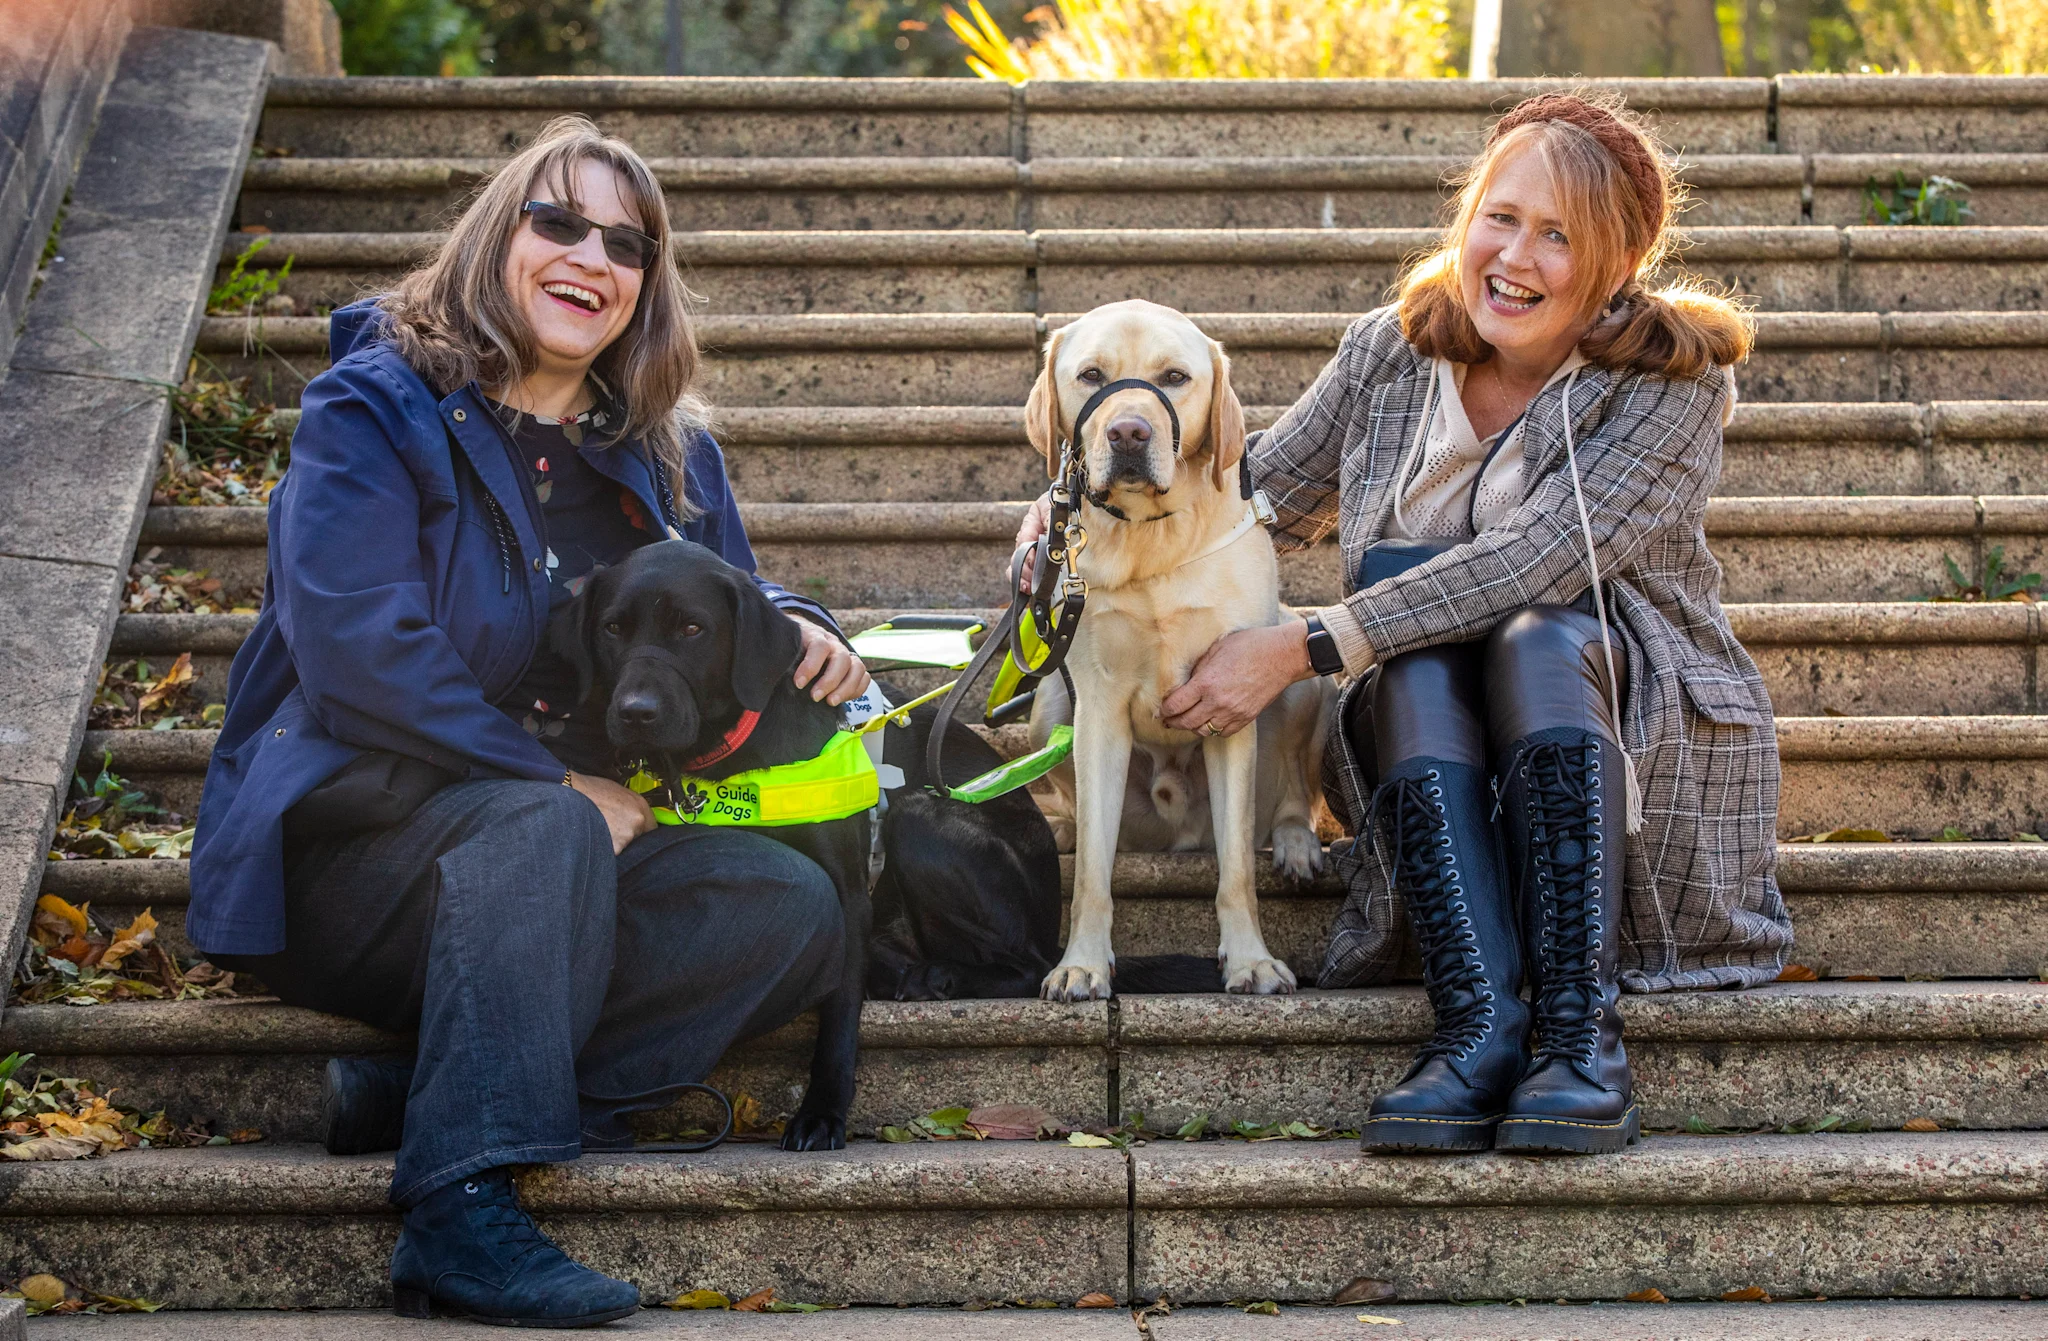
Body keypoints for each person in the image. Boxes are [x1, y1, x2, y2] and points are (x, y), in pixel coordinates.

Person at [190, 116, 871, 1326]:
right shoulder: (373, 411)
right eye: (557, 223)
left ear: (645, 284)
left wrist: (801, 622)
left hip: (571, 864)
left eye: (626, 244)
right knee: (540, 826)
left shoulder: (668, 455)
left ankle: (418, 1097)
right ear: (492, 238)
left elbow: (734, 593)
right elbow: (355, 651)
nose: (591, 258)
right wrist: (550, 780)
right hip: (357, 852)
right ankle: (459, 1212)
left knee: (788, 901)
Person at [1017, 93, 1789, 1156]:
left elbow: (1532, 563)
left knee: (1534, 632)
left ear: (1617, 264)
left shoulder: (1671, 384)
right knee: (1416, 668)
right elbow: (1249, 491)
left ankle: (1578, 1035)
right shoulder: (1390, 352)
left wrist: (1302, 644)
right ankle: (1476, 1024)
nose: (1514, 258)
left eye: (1558, 236)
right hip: (1423, 727)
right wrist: (1090, 498)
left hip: (1615, 722)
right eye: (1500, 218)